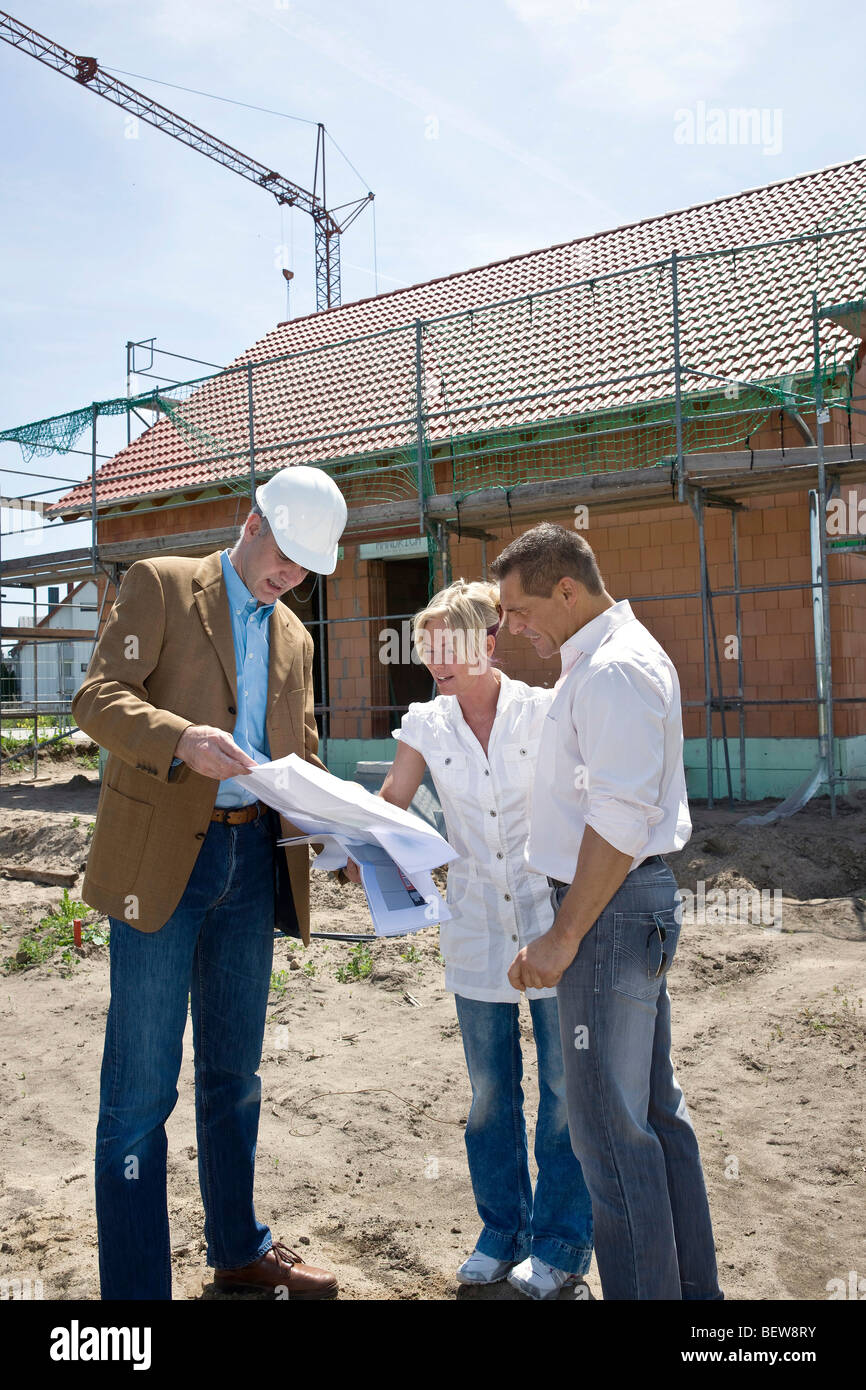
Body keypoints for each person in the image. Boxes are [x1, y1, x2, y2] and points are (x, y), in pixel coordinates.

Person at [72, 465, 347, 1301]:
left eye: (307, 566)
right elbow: (95, 698)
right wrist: (178, 737)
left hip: (251, 864)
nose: (292, 576)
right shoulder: (160, 585)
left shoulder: (296, 637)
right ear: (252, 520)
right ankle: (136, 1297)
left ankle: (237, 1251)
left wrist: (339, 822)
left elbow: (296, 752)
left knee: (235, 1075)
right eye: (286, 556)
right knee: (140, 1092)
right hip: (164, 863)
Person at [492, 522, 722, 1301]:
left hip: (609, 913)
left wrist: (563, 936)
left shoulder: (614, 670)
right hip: (624, 909)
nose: (511, 629)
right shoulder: (599, 660)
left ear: (567, 589)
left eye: (519, 610)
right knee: (652, 1118)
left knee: (609, 1137)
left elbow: (620, 820)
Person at [347, 579, 594, 1300]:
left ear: (490, 641)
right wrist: (344, 835)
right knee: (490, 1093)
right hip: (476, 930)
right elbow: (392, 804)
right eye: (427, 650)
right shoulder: (424, 722)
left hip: (551, 926)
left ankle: (560, 1241)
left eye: (448, 646)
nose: (436, 663)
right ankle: (503, 1230)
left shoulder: (545, 711)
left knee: (561, 1090)